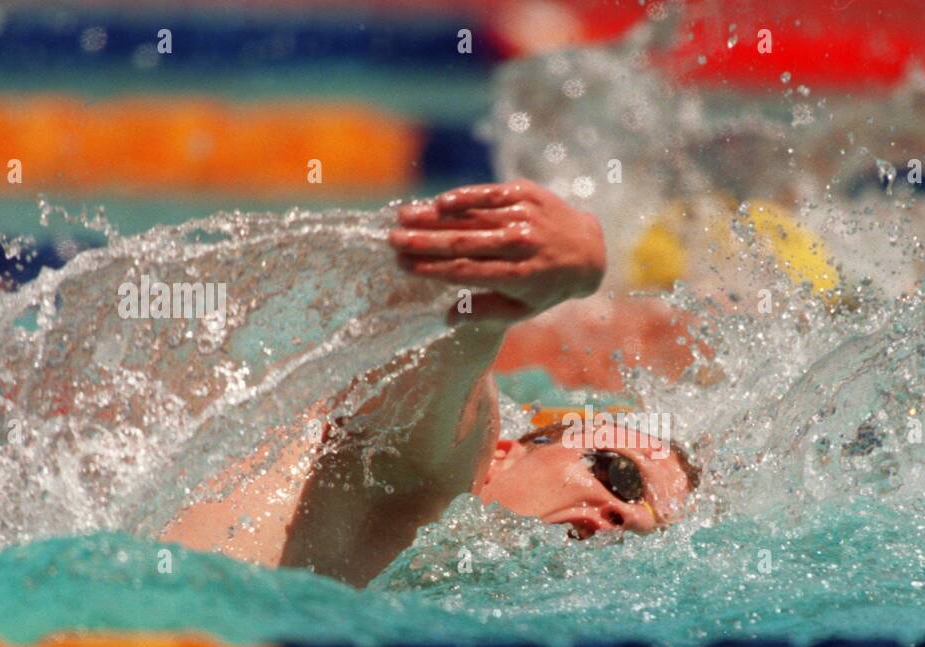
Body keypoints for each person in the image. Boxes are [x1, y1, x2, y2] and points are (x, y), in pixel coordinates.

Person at [163, 180, 699, 587]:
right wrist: (537, 273)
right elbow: (445, 329)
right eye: (620, 475)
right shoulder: (433, 470)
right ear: (506, 454)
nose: (624, 514)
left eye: (641, 529)